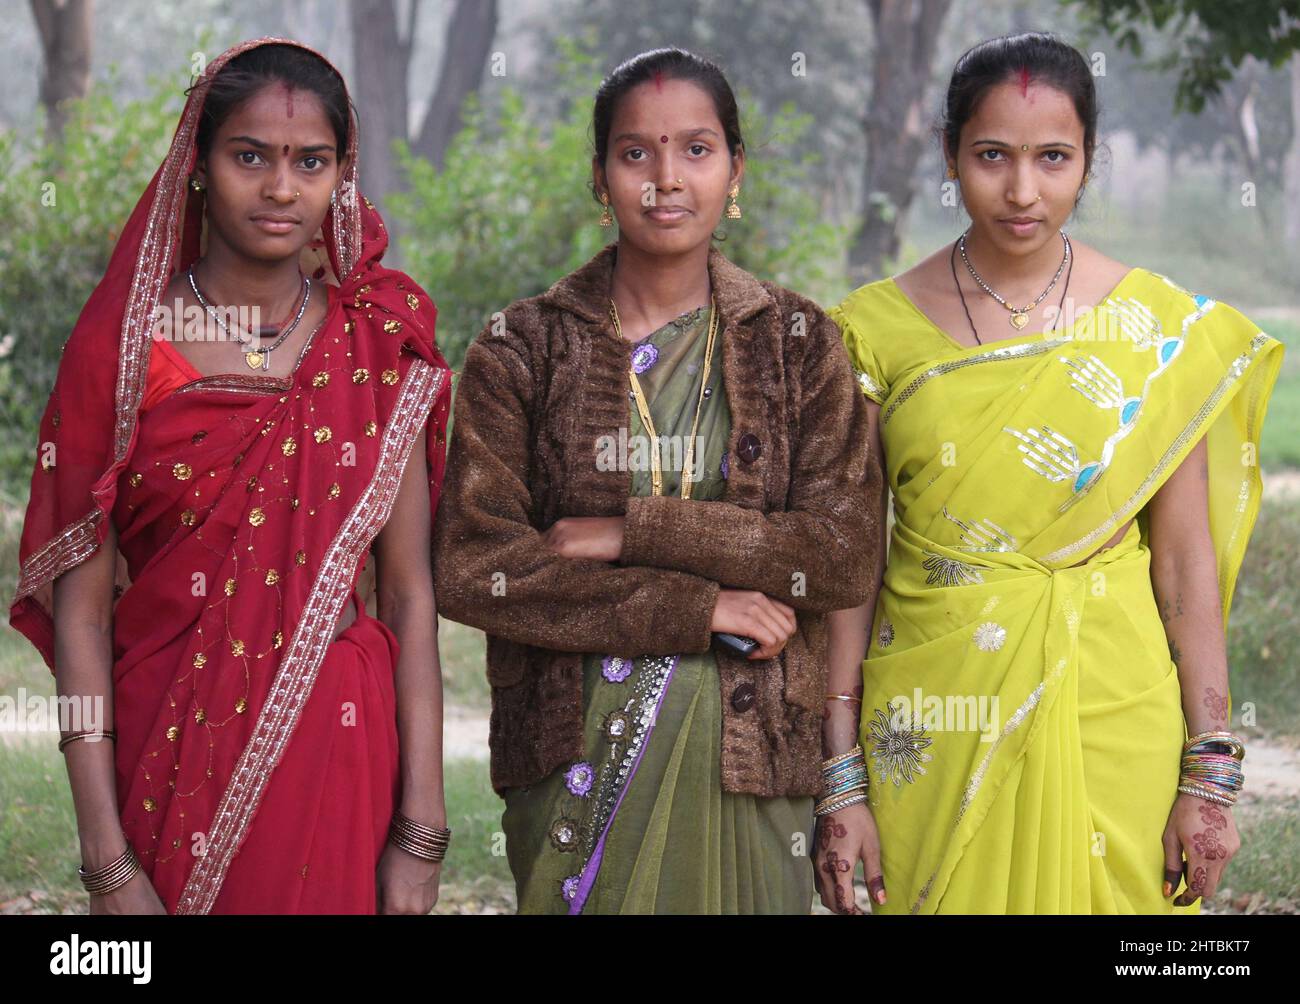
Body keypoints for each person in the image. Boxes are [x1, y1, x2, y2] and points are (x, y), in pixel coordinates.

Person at [816, 31, 1283, 914]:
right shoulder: (871, 332)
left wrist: (1210, 770)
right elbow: (850, 571)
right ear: (949, 155)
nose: (1023, 190)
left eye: (1053, 158)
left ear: (1088, 161)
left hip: (1112, 704)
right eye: (991, 155)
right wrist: (841, 779)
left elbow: (1183, 566)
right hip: (935, 709)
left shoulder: (1156, 330)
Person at [9, 38, 454, 915]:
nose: (282, 188)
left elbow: (407, 599)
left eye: (310, 161)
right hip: (165, 744)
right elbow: (83, 616)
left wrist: (422, 828)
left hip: (338, 748)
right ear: (200, 165)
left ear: (341, 174)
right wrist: (105, 858)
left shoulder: (373, 347)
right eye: (250, 156)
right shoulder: (126, 352)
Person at [432, 47, 879, 914]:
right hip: (573, 763)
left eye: (697, 150)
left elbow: (840, 556)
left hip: (748, 771)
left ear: (735, 168)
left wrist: (632, 532)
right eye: (636, 153)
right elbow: (475, 568)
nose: (666, 179)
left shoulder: (798, 345)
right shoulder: (523, 348)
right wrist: (697, 608)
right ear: (600, 177)